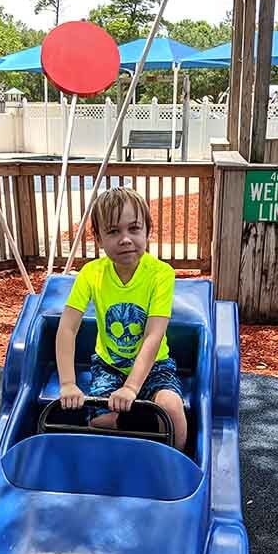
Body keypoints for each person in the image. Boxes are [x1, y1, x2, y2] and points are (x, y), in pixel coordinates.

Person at [55, 186, 188, 451]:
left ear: (147, 231)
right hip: (108, 366)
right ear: (98, 238)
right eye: (114, 231)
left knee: (171, 408)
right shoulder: (91, 273)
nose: (125, 239)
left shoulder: (161, 274)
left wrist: (131, 388)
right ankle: (113, 462)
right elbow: (68, 327)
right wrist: (68, 383)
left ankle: (173, 464)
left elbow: (153, 335)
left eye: (134, 229)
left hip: (155, 365)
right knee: (100, 419)